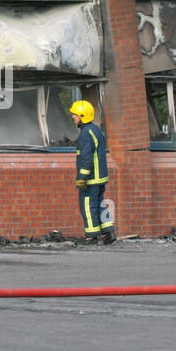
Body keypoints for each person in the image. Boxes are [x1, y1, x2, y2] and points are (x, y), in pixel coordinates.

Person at [69, 100, 115, 245]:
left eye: (75, 114)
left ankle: (92, 236)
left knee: (88, 205)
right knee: (100, 203)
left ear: (83, 116)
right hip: (100, 177)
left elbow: (86, 158)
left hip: (91, 178)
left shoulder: (85, 134)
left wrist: (82, 177)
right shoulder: (96, 130)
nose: (73, 117)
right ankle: (108, 232)